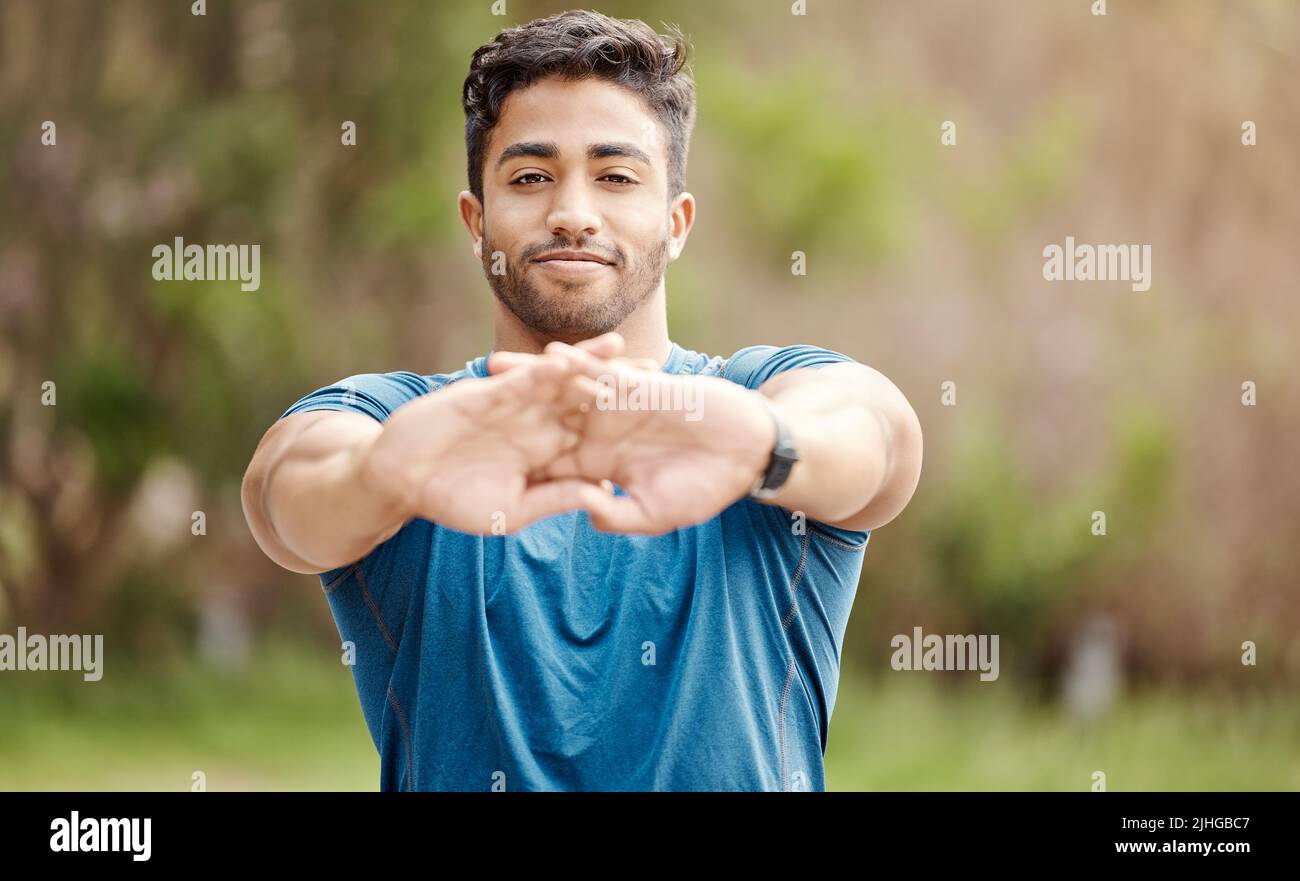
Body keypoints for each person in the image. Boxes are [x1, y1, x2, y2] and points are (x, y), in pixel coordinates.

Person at [241, 9, 922, 791]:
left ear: (676, 222)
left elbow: (881, 439)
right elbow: (280, 493)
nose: (572, 210)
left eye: (616, 175)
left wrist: (763, 444)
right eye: (530, 177)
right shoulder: (410, 428)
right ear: (476, 222)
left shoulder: (754, 402)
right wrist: (383, 476)